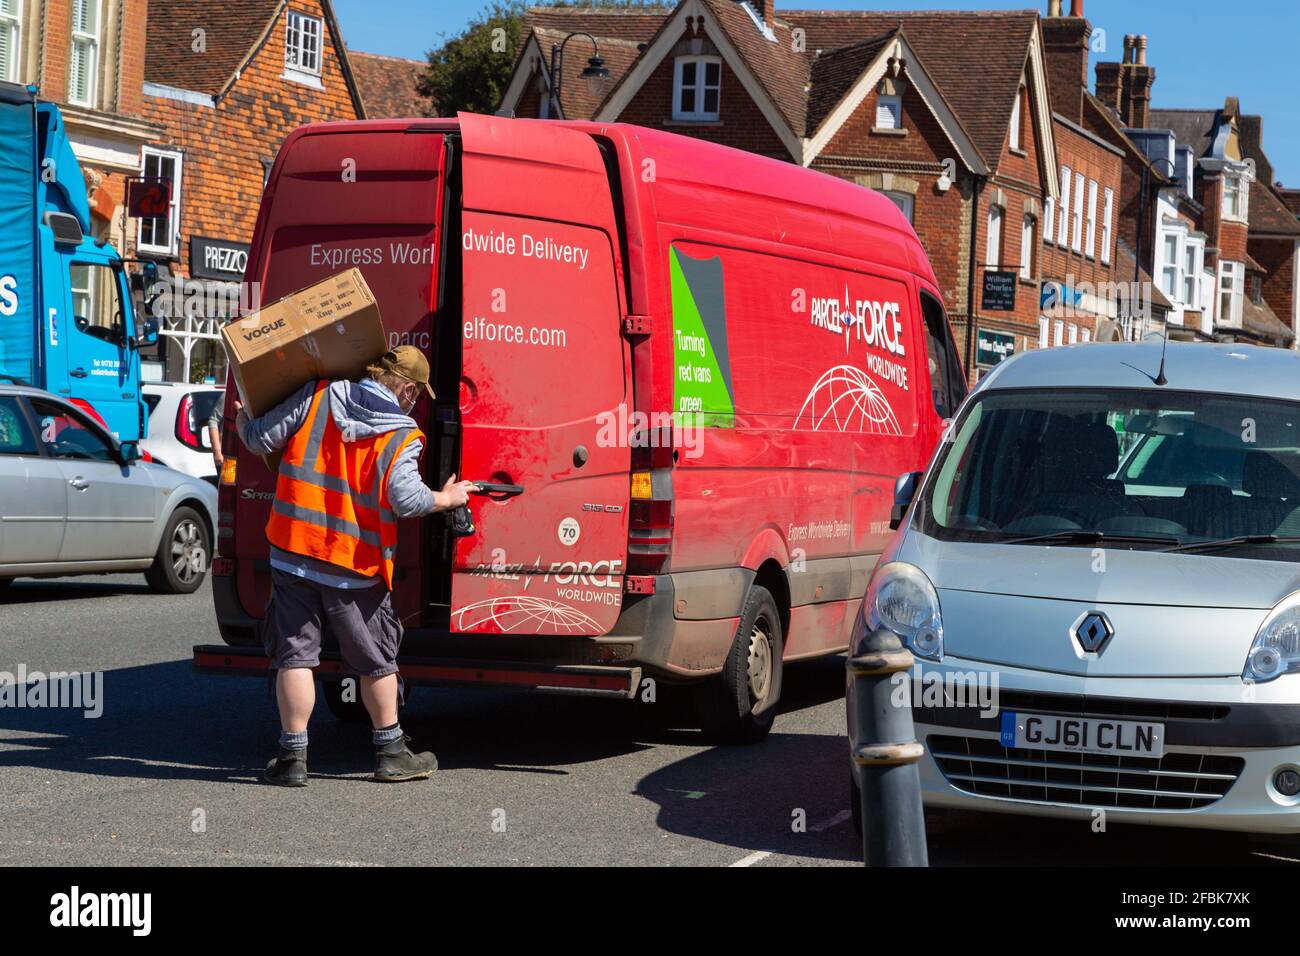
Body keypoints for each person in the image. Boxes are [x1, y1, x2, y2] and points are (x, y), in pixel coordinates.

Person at [235, 346, 476, 786]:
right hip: (354, 565)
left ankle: (292, 760)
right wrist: (448, 498)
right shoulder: (403, 434)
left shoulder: (318, 395)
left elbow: (257, 440)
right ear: (405, 388)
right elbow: (406, 499)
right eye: (416, 395)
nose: (415, 403)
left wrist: (238, 417)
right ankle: (390, 752)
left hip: (293, 553)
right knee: (375, 660)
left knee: (295, 656)